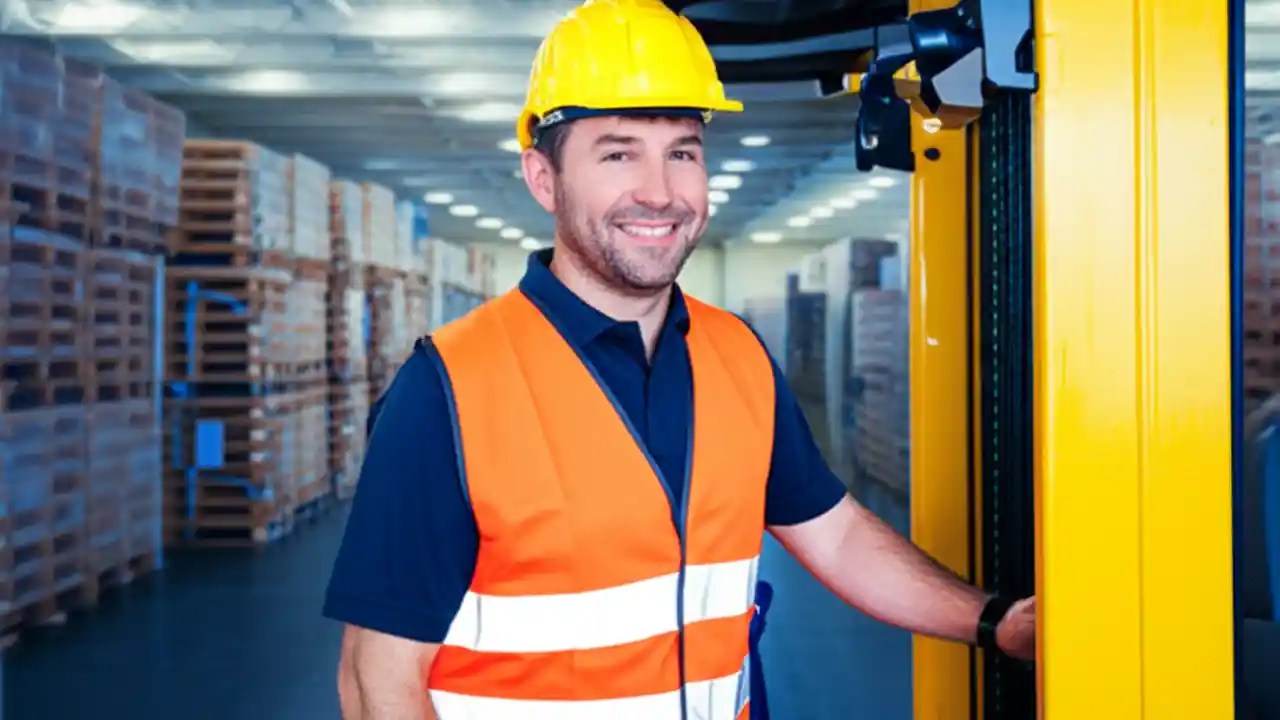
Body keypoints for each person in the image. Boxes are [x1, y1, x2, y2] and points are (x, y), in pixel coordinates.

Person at [324, 1, 1036, 718]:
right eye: (617, 152)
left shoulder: (736, 357)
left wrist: (992, 622)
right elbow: (374, 681)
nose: (660, 192)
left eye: (683, 152)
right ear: (543, 179)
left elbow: (839, 535)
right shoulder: (448, 388)